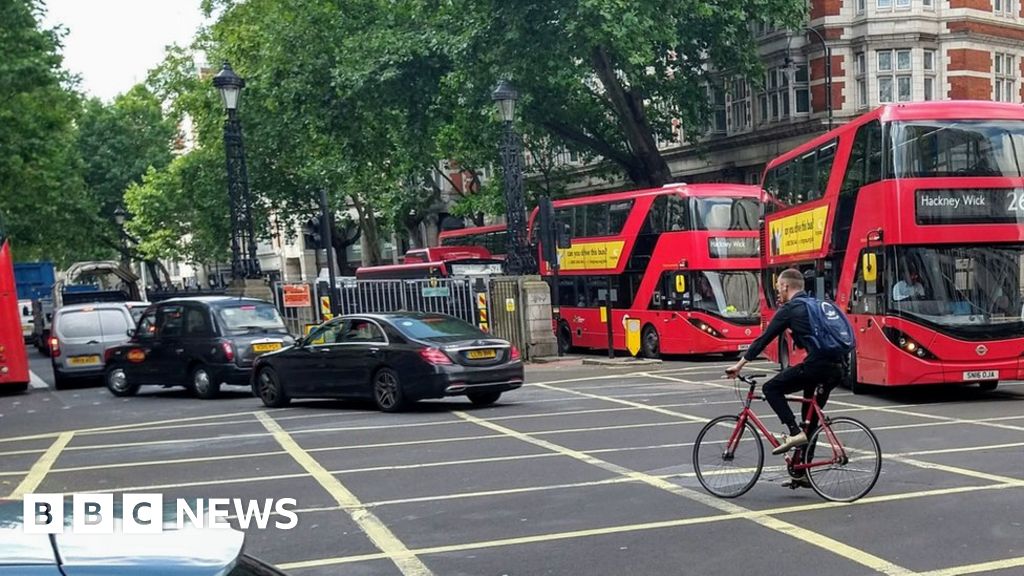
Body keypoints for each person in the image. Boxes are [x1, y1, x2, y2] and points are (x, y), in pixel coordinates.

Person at [725, 268, 848, 487]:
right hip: (837, 368)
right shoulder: (817, 304)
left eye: (778, 288)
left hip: (817, 367)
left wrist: (739, 365)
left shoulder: (790, 309)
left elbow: (764, 339)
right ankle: (802, 472)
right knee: (810, 420)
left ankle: (793, 431)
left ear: (785, 286)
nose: (778, 293)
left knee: (771, 388)